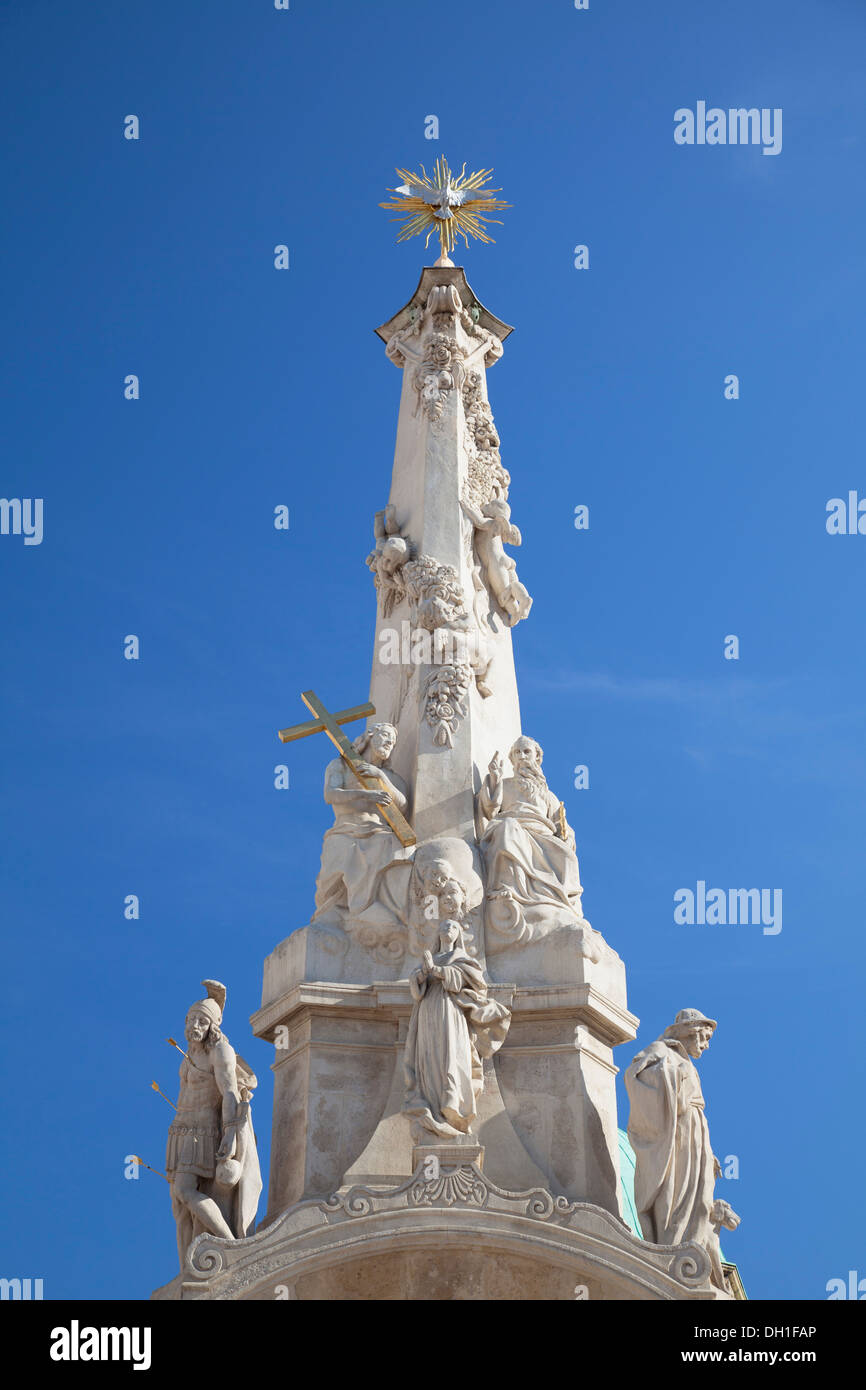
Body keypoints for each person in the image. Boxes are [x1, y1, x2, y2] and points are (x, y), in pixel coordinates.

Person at [625, 1008, 739, 1292]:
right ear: (690, 1032)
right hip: (677, 1134)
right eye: (704, 1037)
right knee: (676, 1196)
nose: (706, 1044)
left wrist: (706, 1151)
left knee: (701, 1202)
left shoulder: (685, 1061)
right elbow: (635, 1074)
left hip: (695, 1135)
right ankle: (675, 1253)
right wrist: (670, 1083)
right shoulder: (663, 1052)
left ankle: (690, 1255)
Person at [166, 981, 261, 1271]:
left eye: (202, 1021)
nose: (195, 1025)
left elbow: (230, 1092)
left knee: (184, 1191)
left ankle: (231, 1243)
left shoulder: (220, 1051)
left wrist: (231, 1135)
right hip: (180, 1127)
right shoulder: (190, 1053)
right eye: (191, 1019)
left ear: (212, 1026)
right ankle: (188, 1269)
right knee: (179, 1206)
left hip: (202, 1129)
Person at [403, 919, 510, 1137]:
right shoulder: (429, 958)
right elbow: (416, 993)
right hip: (428, 1010)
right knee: (429, 1059)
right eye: (443, 926)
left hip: (451, 1011)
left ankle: (452, 1108)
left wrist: (438, 971)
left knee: (450, 1057)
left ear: (458, 934)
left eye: (452, 926)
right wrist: (421, 976)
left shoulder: (463, 959)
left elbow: (474, 984)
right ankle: (433, 1110)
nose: (446, 929)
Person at [477, 735, 583, 946]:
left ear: (537, 758)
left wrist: (566, 834)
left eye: (527, 752)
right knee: (508, 831)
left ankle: (557, 903)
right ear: (512, 758)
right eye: (517, 752)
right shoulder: (505, 784)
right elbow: (489, 808)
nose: (522, 756)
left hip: (543, 833)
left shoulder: (549, 796)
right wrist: (495, 778)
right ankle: (509, 891)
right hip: (514, 825)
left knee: (568, 857)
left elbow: (562, 825)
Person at [312, 722, 411, 938]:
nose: (389, 743)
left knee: (398, 850)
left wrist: (380, 777)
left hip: (378, 832)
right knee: (347, 853)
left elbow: (403, 804)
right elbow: (331, 795)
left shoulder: (390, 777)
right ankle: (354, 909)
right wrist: (367, 795)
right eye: (385, 736)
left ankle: (371, 907)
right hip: (345, 830)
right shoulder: (341, 765)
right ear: (370, 736)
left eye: (393, 742)